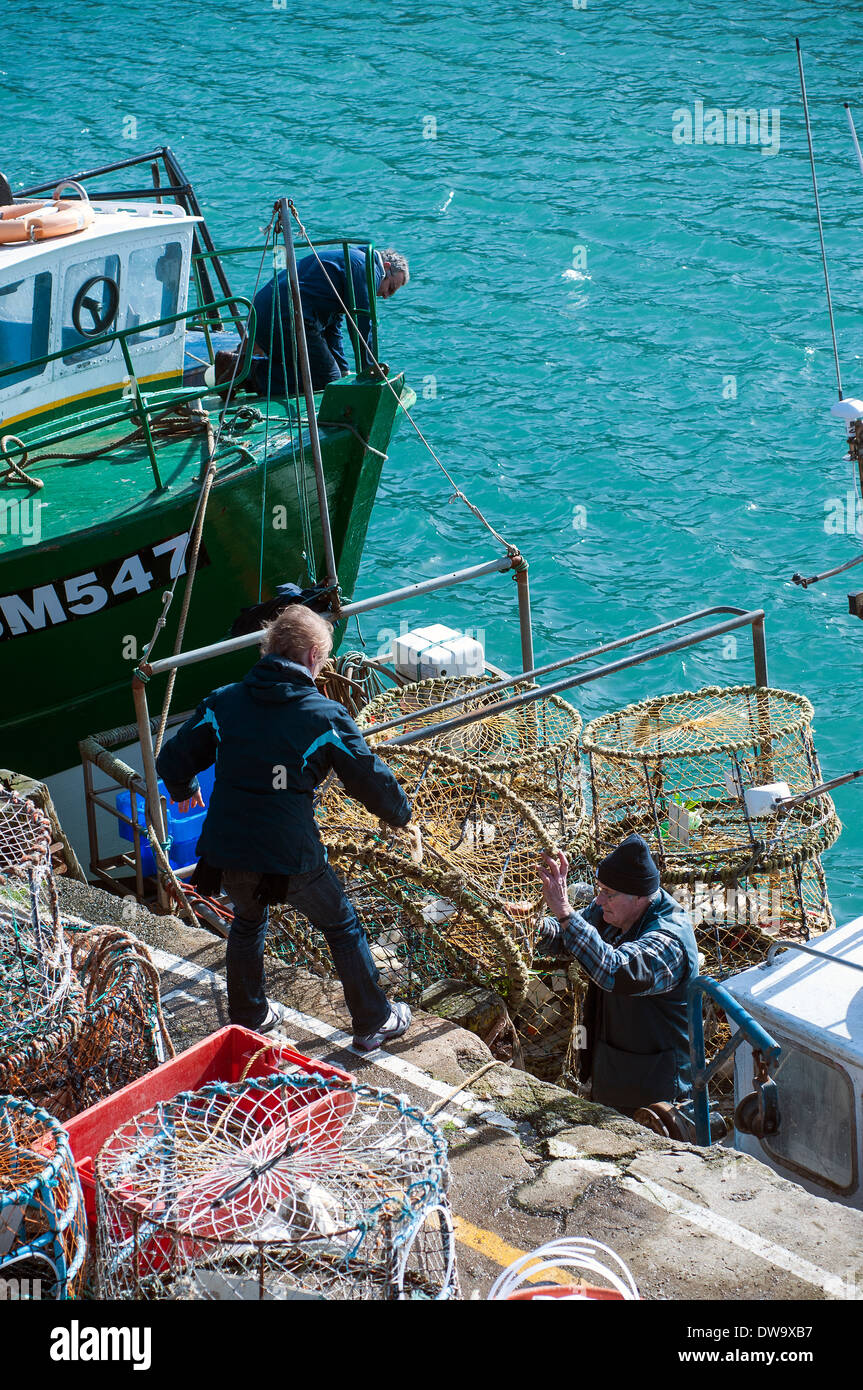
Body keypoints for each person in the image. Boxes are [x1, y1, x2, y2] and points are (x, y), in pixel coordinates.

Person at [155, 605, 414, 1052]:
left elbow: (172, 758)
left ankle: (250, 1016)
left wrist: (182, 785)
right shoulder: (326, 715)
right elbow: (368, 778)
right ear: (313, 656)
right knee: (341, 925)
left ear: (269, 648)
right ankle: (374, 1020)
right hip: (290, 853)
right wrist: (400, 816)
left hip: (227, 847)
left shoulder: (223, 701)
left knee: (248, 923)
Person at [536, 834, 699, 1116]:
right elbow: (568, 938)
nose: (598, 901)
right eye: (599, 889)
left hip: (658, 1090)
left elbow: (616, 971)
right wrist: (532, 926)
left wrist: (564, 909)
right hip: (613, 1069)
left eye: (607, 893)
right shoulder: (612, 913)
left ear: (639, 897)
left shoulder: (669, 941)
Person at [217, 245, 409, 395]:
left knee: (325, 372)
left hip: (264, 311)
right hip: (286, 316)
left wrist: (342, 369)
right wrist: (371, 369)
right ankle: (247, 372)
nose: (385, 296)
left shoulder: (350, 262)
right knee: (324, 379)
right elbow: (361, 322)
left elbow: (333, 326)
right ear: (385, 268)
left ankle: (238, 366)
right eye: (390, 288)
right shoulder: (366, 268)